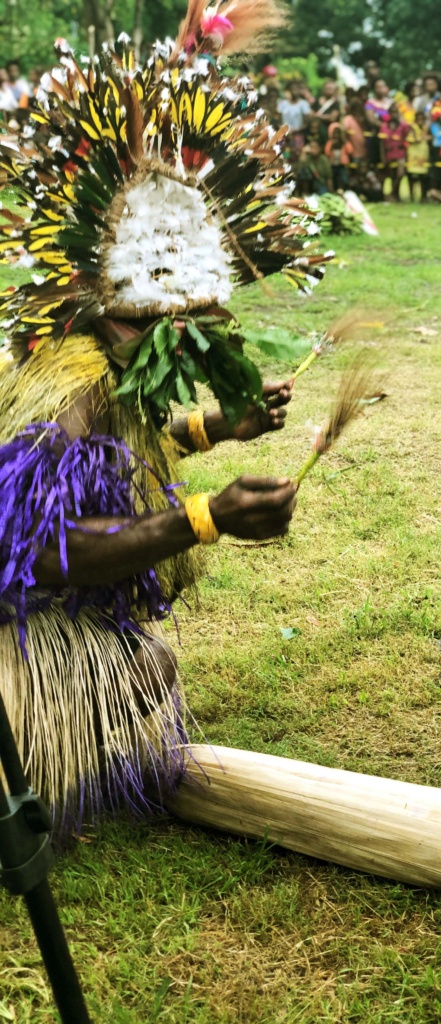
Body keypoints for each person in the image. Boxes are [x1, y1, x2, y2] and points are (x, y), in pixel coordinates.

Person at [0, 4, 331, 837]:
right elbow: (37, 552)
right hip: (18, 629)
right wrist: (203, 517)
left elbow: (129, 449)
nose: (173, 334)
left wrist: (221, 429)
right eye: (154, 315)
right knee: (142, 667)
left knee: (145, 667)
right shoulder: (66, 386)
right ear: (99, 291)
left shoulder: (108, 354)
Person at [277, 79, 312, 160]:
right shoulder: (282, 103)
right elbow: (278, 120)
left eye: (297, 89)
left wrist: (295, 130)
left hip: (298, 136)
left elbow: (307, 122)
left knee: (297, 158)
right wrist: (284, 131)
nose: (294, 91)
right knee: (284, 158)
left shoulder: (304, 104)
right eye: (292, 89)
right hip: (284, 136)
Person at [380, 105, 410, 200]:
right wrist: (382, 157)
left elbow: (407, 136)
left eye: (396, 112)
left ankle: (394, 192)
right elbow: (381, 143)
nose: (394, 114)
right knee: (390, 175)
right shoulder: (384, 126)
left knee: (400, 174)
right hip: (388, 153)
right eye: (392, 112)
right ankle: (389, 195)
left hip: (400, 153)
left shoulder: (403, 125)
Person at [406, 109, 431, 202]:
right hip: (414, 155)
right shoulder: (412, 128)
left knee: (423, 176)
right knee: (412, 175)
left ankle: (423, 196)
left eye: (422, 119)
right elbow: (409, 139)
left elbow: (430, 137)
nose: (420, 121)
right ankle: (412, 196)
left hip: (423, 154)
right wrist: (418, 139)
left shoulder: (426, 128)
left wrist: (426, 138)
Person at [325, 124, 354, 191]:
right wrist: (332, 145)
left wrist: (344, 141)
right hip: (332, 165)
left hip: (342, 165)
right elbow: (327, 153)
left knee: (343, 179)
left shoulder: (344, 143)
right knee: (333, 179)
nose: (336, 135)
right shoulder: (330, 143)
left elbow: (350, 151)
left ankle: (343, 190)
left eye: (338, 133)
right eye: (335, 133)